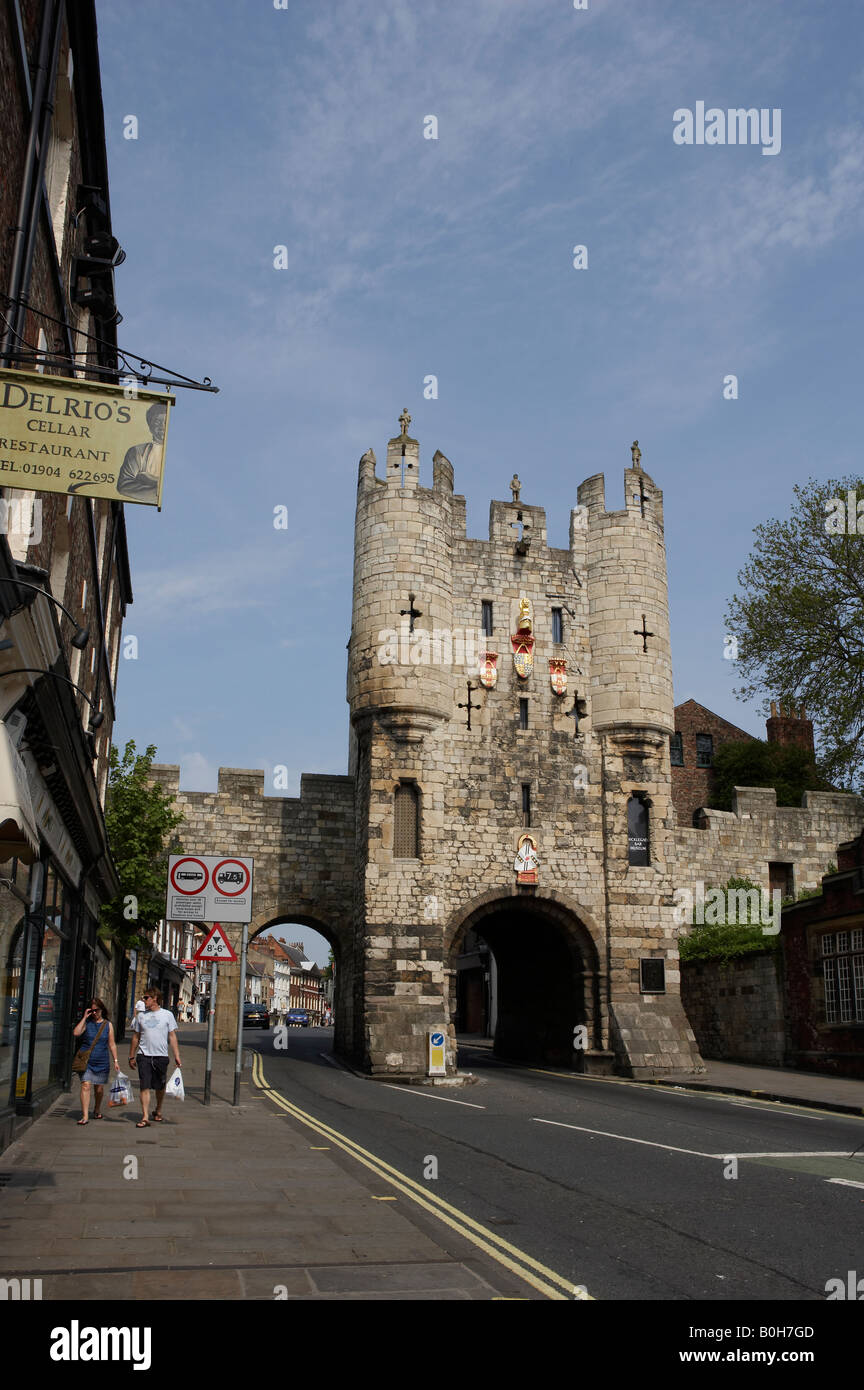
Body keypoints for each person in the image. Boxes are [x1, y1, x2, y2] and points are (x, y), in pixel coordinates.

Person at [128, 988, 181, 1128]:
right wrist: (131, 1056)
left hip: (161, 1057)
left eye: (146, 998)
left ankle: (158, 1109)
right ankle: (145, 1116)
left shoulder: (167, 1015)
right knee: (144, 1086)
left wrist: (177, 1055)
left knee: (159, 1087)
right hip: (144, 1056)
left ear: (155, 998)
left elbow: (172, 1036)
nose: (143, 1000)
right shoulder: (141, 1016)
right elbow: (136, 1037)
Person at [72, 997, 119, 1125]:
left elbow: (112, 1044)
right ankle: (85, 1115)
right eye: (91, 1011)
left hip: (102, 1061)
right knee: (86, 1085)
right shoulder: (87, 1023)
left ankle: (97, 1108)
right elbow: (76, 1033)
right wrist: (84, 1017)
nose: (94, 1013)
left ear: (102, 1010)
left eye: (96, 1010)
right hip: (87, 1061)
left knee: (98, 1089)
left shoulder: (108, 1025)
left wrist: (115, 1060)